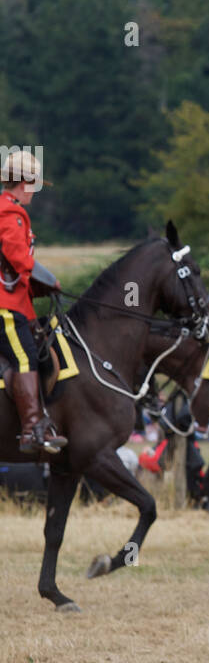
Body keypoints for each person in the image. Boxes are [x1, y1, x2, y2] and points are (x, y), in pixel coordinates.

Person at [0, 149, 67, 455]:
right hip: (5, 307)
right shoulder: (9, 212)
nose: (34, 192)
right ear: (24, 183)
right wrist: (47, 278)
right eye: (34, 185)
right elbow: (17, 259)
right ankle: (31, 430)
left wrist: (36, 287)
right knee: (25, 358)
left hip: (16, 302)